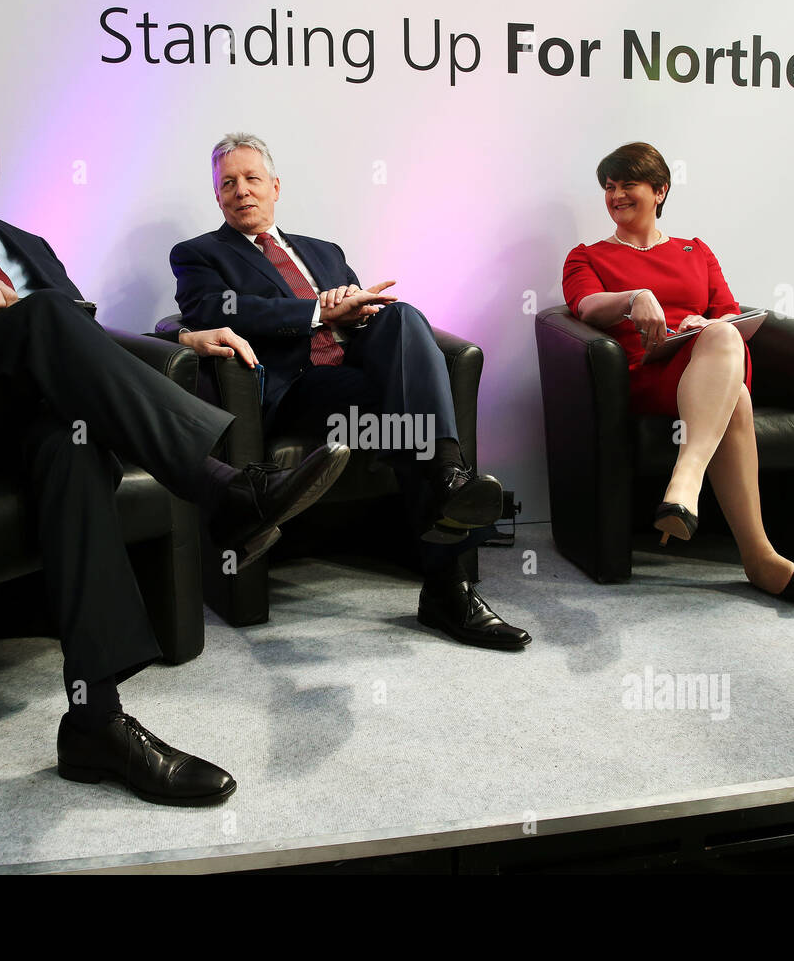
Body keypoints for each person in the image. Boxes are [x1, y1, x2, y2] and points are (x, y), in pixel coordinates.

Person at [0, 78, 350, 805]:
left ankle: (97, 721)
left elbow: (82, 338)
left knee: (72, 441)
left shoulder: (25, 244)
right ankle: (223, 488)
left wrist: (176, 334)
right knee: (46, 314)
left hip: (34, 415)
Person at [166, 133, 532, 648]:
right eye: (228, 183)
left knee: (400, 317)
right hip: (298, 388)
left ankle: (447, 484)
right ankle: (450, 578)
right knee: (410, 412)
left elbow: (368, 318)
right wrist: (318, 310)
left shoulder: (324, 251)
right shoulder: (200, 254)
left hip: (359, 373)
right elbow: (215, 311)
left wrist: (354, 304)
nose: (241, 191)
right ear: (217, 196)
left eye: (252, 179)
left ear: (275, 187)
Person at [561, 141, 794, 603]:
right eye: (609, 187)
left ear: (659, 190)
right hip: (646, 376)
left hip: (707, 370)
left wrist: (706, 325)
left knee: (723, 340)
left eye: (628, 185)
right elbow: (585, 306)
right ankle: (755, 553)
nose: (616, 195)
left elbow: (731, 314)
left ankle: (690, 486)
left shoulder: (695, 251)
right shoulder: (588, 256)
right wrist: (632, 296)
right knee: (735, 393)